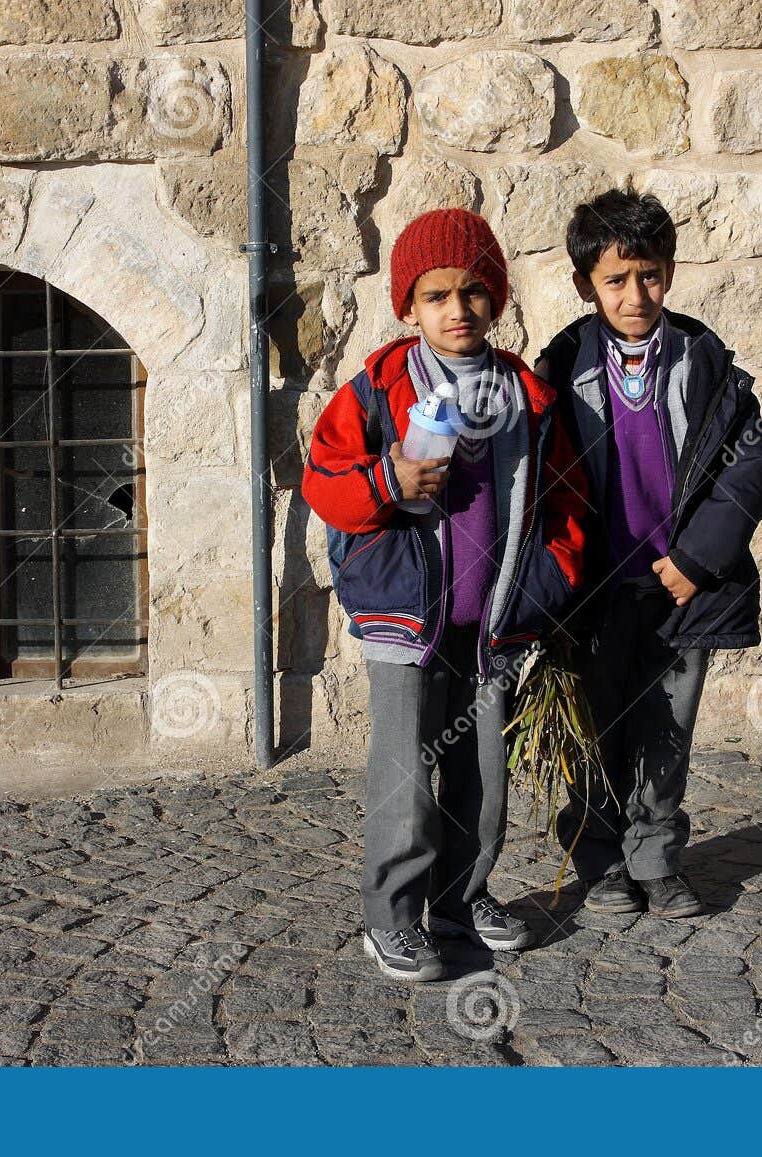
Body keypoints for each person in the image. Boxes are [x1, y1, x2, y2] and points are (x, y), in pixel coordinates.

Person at [302, 209, 588, 980]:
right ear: (409, 305)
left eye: (472, 291)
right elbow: (323, 483)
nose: (456, 309)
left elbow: (565, 501)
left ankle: (461, 902)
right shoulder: (378, 389)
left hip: (492, 623)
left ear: (495, 298)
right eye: (436, 295)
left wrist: (549, 582)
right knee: (406, 780)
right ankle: (390, 918)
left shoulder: (528, 397)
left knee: (480, 779)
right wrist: (387, 480)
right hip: (406, 622)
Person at [536, 189, 762, 919]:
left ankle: (657, 859)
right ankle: (602, 863)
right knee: (595, 730)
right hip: (594, 593)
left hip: (678, 588)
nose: (635, 294)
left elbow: (752, 459)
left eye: (649, 276)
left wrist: (699, 559)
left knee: (666, 731)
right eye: (615, 280)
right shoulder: (559, 369)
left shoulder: (703, 363)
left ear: (668, 273)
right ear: (586, 285)